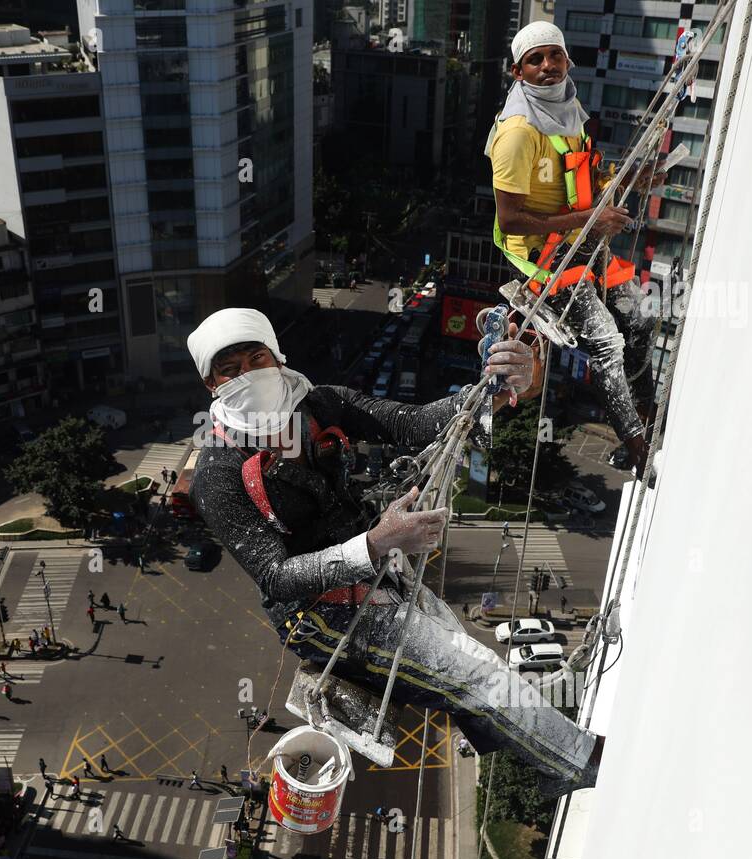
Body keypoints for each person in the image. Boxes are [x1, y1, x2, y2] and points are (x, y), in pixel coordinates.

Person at [184, 307, 604, 798]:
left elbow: (417, 423)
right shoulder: (218, 474)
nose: (249, 375)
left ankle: (541, 746)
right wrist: (377, 542)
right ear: (211, 386)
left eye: (257, 358)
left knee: (468, 656)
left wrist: (495, 386)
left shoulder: (318, 405)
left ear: (278, 357)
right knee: (475, 673)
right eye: (230, 370)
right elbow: (275, 577)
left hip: (380, 573)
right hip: (318, 616)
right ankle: (580, 765)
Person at [486, 21, 662, 478]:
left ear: (567, 61)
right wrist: (590, 221)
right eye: (535, 60)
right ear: (517, 72)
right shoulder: (519, 133)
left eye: (554, 56)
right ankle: (636, 445)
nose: (547, 67)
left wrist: (626, 180)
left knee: (642, 316)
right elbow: (511, 220)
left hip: (580, 238)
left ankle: (647, 413)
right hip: (545, 254)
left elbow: (585, 176)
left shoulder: (569, 110)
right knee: (607, 340)